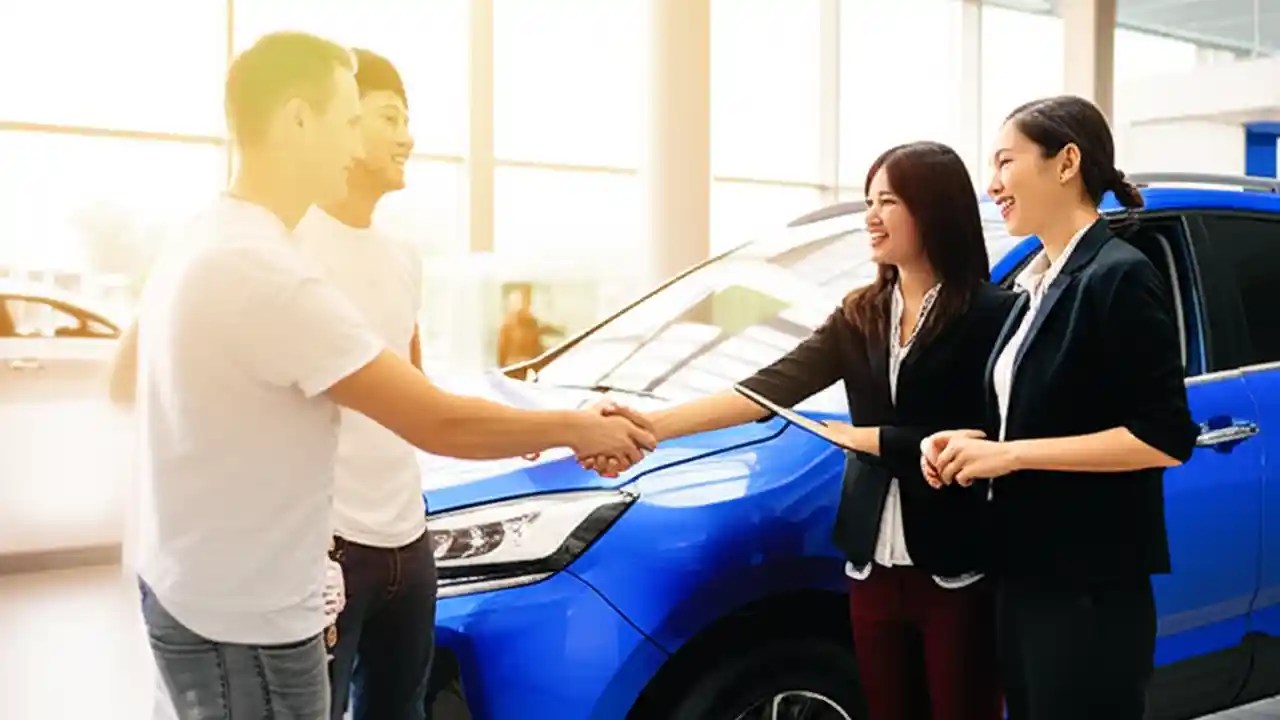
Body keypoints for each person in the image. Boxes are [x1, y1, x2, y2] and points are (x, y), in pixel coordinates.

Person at [116, 31, 654, 719]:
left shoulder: (214, 237)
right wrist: (578, 427)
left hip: (218, 588)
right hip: (245, 614)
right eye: (352, 120)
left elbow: (422, 400)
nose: (361, 142)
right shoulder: (267, 270)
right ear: (298, 120)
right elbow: (433, 418)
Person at [585, 141, 1016, 720]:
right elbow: (763, 391)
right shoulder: (859, 313)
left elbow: (996, 434)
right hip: (870, 564)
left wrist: (879, 442)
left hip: (958, 565)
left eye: (888, 200)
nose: (871, 215)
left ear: (933, 207)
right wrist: (647, 426)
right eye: (869, 200)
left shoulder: (993, 314)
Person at [921, 95, 1199, 720]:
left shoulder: (1119, 275)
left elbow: (1162, 437)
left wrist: (1010, 456)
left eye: (1005, 161)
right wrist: (963, 444)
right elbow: (1035, 412)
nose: (991, 184)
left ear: (1066, 161)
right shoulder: (1034, 286)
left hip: (1088, 583)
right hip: (1026, 569)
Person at [288, 47, 435, 720]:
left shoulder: (404, 255)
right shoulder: (287, 247)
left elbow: (416, 394)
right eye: (390, 116)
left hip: (409, 540)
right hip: (328, 546)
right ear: (345, 122)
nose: (407, 136)